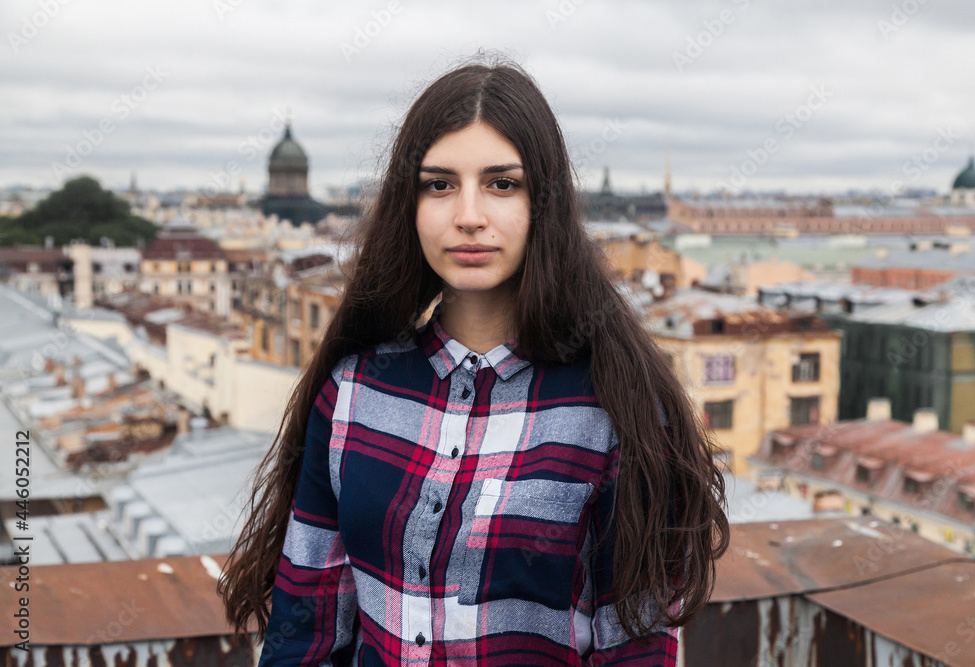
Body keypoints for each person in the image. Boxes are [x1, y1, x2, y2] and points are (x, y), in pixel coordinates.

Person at [220, 53, 730, 666]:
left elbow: (637, 651)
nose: (468, 216)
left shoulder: (618, 409)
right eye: (439, 185)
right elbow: (305, 634)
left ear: (544, 203)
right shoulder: (354, 392)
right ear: (407, 206)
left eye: (501, 183)